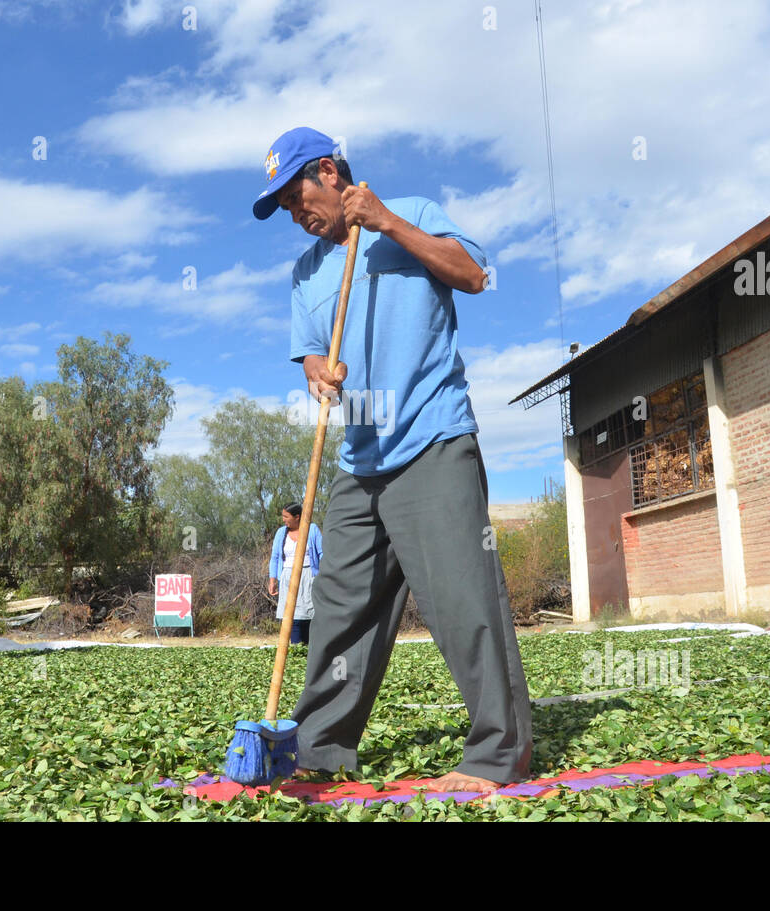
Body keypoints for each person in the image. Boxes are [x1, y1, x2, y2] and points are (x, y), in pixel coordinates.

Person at [253, 127, 533, 792]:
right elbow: (313, 358)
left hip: (431, 440)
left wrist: (385, 221)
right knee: (341, 611)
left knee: (463, 600)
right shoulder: (306, 274)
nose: (298, 216)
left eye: (299, 198)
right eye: (287, 210)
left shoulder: (412, 213)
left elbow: (473, 274)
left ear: (329, 171)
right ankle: (318, 752)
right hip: (358, 459)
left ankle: (499, 753)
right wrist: (319, 376)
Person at [267, 503, 323, 645]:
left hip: (308, 576)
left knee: (308, 614)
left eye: (286, 517)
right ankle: (296, 646)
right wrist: (273, 580)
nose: (283, 519)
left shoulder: (312, 529)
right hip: (288, 577)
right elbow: (274, 558)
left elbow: (322, 554)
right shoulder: (281, 533)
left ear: (297, 517)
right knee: (292, 615)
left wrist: (325, 575)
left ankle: (309, 647)